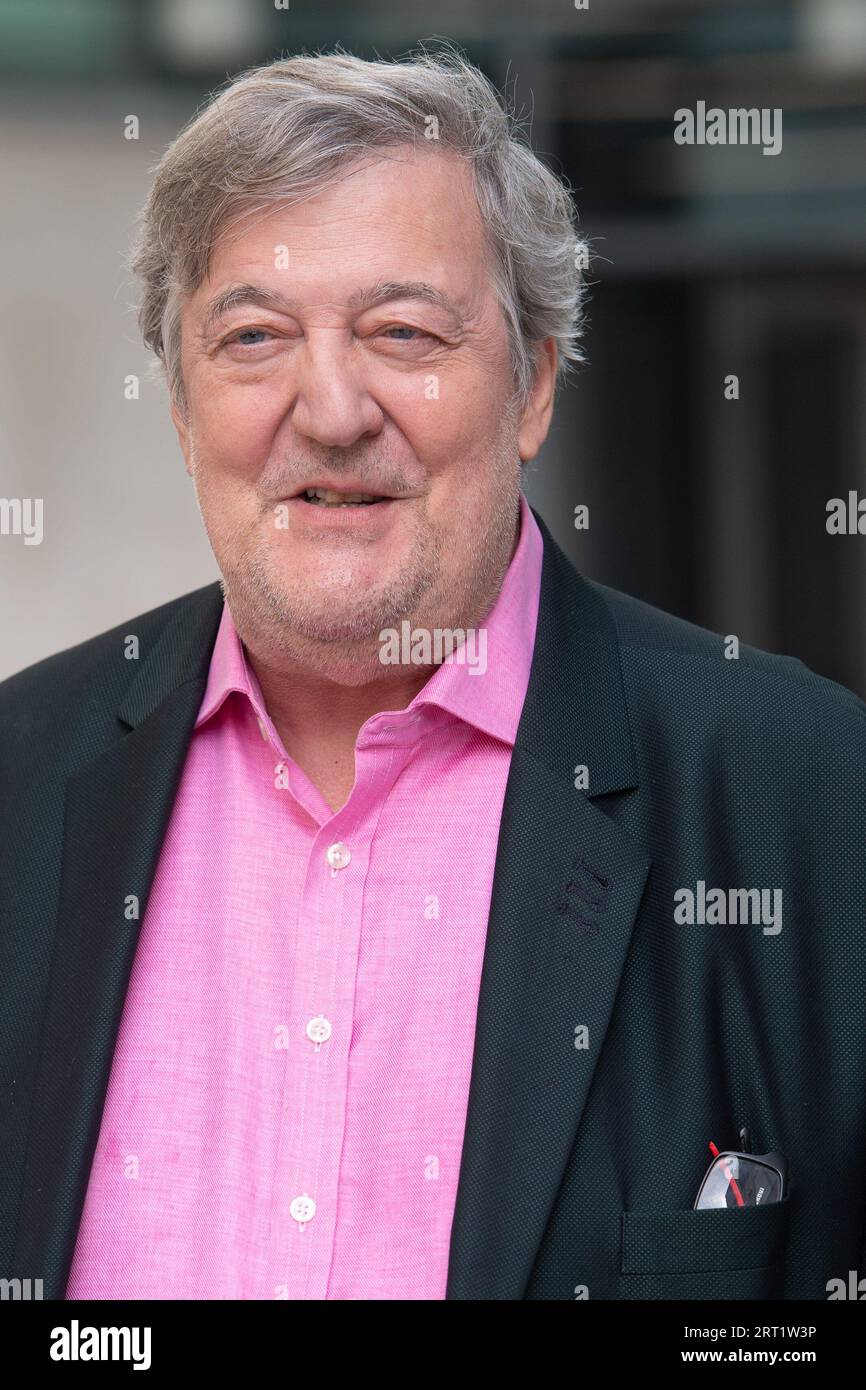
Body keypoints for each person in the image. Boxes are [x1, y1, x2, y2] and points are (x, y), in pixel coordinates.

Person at [1, 46, 864, 1302]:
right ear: (183, 405)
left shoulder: (806, 800)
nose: (332, 408)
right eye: (253, 337)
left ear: (532, 387)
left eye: (401, 331)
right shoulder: (21, 788)